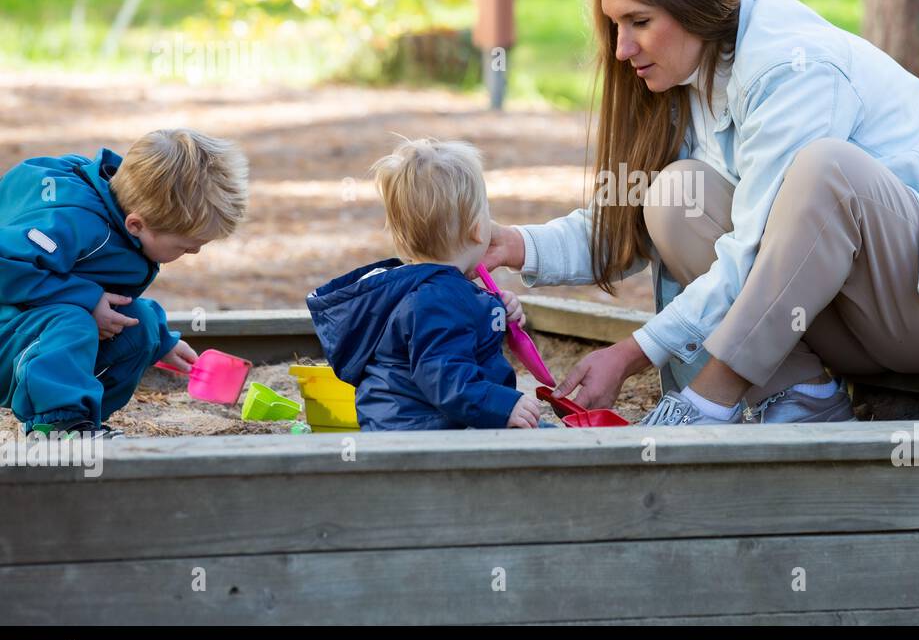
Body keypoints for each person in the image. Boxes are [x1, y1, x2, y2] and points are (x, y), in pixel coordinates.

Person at [481, 0, 919, 426]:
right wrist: (513, 244)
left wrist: (632, 353)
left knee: (826, 172)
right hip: (841, 319)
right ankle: (799, 398)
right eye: (615, 26)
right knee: (675, 198)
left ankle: (709, 400)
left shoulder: (792, 68)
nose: (622, 49)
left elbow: (749, 249)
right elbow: (629, 224)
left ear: (692, 2)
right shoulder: (688, 75)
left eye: (639, 22)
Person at [0, 128, 249, 436]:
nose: (195, 252)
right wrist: (86, 299)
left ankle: (80, 418)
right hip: (9, 333)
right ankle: (58, 423)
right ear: (136, 224)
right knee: (73, 319)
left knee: (141, 324)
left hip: (33, 330)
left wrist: (162, 341)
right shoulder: (70, 222)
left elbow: (106, 292)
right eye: (187, 246)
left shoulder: (119, 213)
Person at [307, 138, 546, 430]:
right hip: (425, 435)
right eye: (486, 211)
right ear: (476, 229)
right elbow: (445, 377)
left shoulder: (428, 290)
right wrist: (503, 406)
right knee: (549, 440)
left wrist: (496, 310)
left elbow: (460, 335)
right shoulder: (438, 300)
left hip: (409, 425)